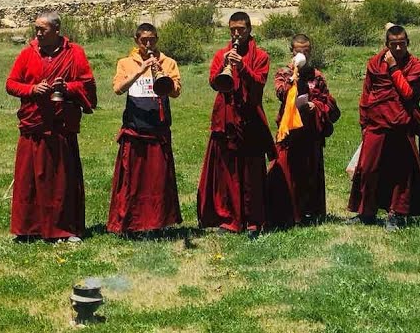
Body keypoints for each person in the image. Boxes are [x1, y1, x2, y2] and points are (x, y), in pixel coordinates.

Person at [5, 12, 97, 242]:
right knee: (30, 180)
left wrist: (67, 87)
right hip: (34, 126)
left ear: (56, 31)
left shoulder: (74, 53)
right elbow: (11, 83)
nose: (37, 33)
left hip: (60, 126)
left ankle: (64, 229)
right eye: (35, 28)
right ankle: (29, 228)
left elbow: (87, 85)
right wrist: (31, 89)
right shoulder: (27, 53)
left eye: (42, 30)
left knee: (61, 180)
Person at [196, 12, 275, 238]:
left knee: (251, 174)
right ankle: (229, 219)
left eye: (240, 29)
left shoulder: (260, 56)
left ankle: (253, 221)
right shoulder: (222, 54)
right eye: (232, 30)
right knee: (227, 172)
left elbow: (259, 83)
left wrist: (243, 68)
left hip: (250, 120)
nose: (236, 34)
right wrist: (224, 64)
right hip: (226, 118)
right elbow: (214, 82)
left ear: (249, 29)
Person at [347, 25, 420, 229]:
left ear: (408, 42)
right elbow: (367, 94)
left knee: (400, 172)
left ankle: (396, 214)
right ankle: (366, 212)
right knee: (367, 169)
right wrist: (364, 122)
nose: (399, 48)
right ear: (386, 45)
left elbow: (409, 94)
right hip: (376, 123)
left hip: (401, 124)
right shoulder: (375, 63)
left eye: (402, 43)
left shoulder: (415, 66)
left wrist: (393, 68)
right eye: (394, 44)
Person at [107, 23, 183, 236]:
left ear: (157, 39)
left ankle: (159, 222)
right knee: (133, 181)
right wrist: (140, 71)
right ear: (136, 40)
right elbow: (117, 89)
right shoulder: (125, 63)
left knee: (159, 180)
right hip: (135, 128)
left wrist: (162, 75)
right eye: (144, 41)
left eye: (152, 40)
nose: (148, 44)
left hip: (158, 129)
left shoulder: (168, 62)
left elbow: (176, 92)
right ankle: (131, 223)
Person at [266, 34, 340, 227]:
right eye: (298, 50)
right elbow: (281, 93)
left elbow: (327, 100)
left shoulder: (317, 76)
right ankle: (282, 212)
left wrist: (315, 106)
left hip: (310, 132)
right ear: (292, 51)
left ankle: (309, 212)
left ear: (311, 51)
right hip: (289, 130)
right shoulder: (283, 73)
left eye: (306, 50)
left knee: (310, 171)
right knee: (284, 169)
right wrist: (293, 77)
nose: (302, 54)